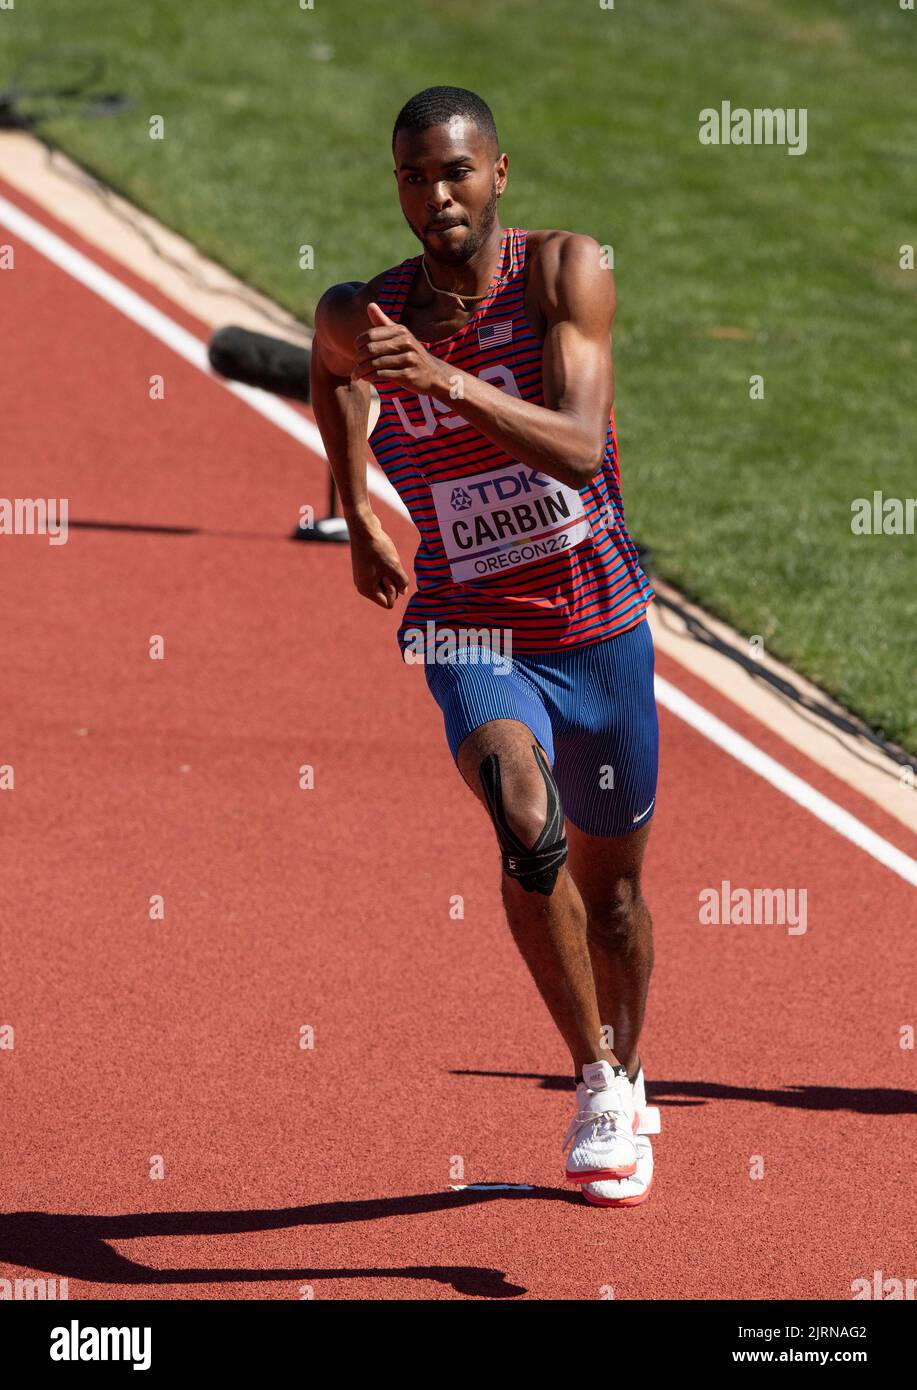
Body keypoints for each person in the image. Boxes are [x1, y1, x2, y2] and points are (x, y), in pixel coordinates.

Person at [309, 86, 660, 1206]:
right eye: (413, 175)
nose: (435, 194)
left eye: (455, 171)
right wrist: (353, 502)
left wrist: (444, 381)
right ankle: (595, 1080)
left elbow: (567, 446)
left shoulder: (564, 272)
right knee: (522, 813)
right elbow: (327, 369)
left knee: (612, 901)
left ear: (497, 173)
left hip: (598, 624)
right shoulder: (365, 316)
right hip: (468, 624)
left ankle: (633, 1061)